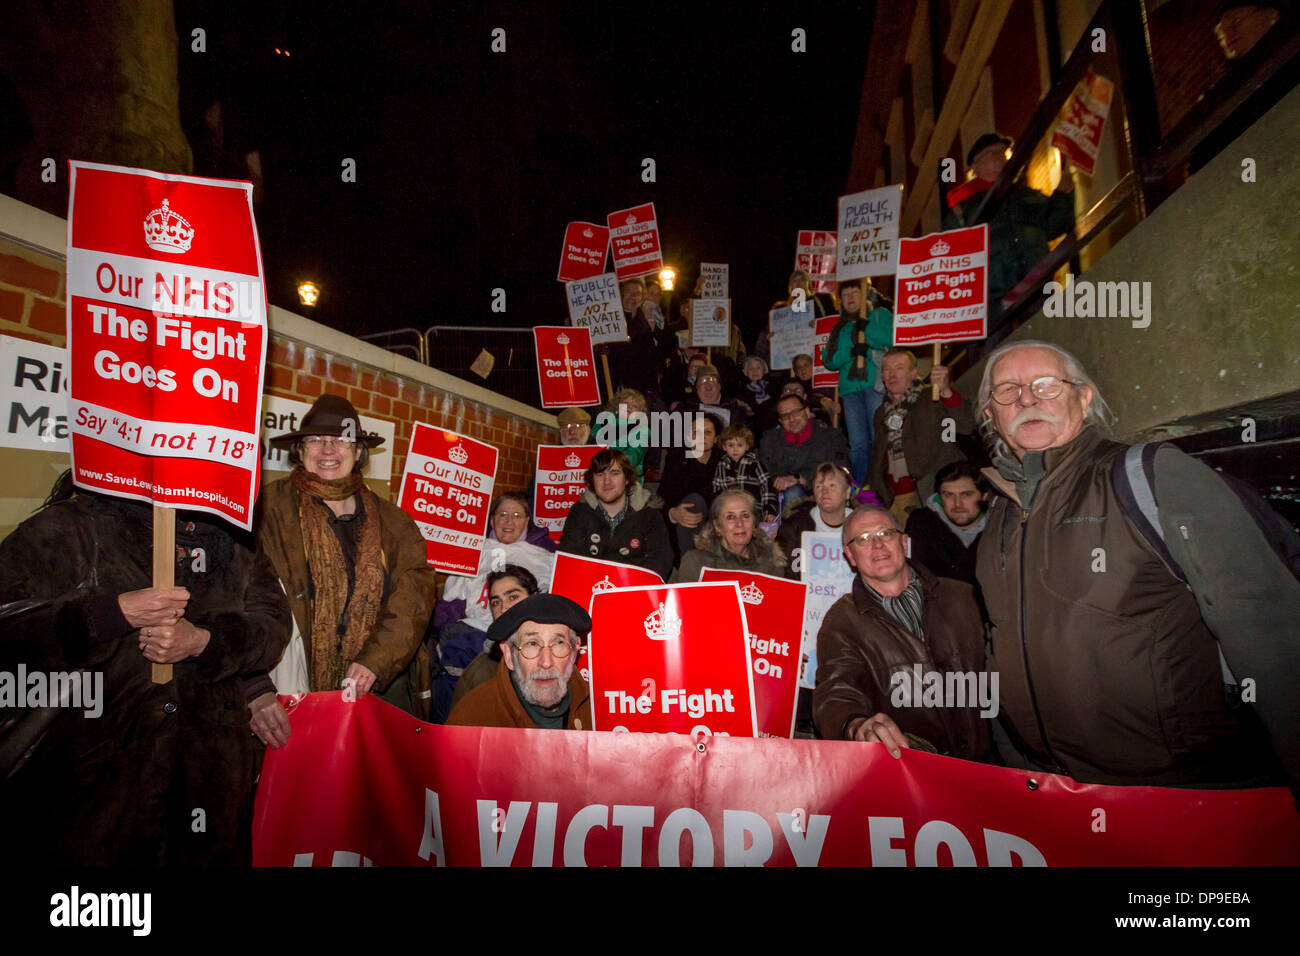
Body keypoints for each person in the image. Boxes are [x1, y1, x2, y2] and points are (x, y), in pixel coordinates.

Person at [975, 339, 1300, 791]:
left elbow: (1272, 630)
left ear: (1084, 398)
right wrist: (1016, 761)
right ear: (991, 415)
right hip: (1054, 793)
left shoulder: (1151, 476)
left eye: (1045, 384)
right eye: (1007, 390)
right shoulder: (999, 513)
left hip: (1177, 795)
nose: (1027, 398)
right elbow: (1000, 643)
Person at [0, 472, 292, 865]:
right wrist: (108, 615)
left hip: (208, 776)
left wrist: (205, 642)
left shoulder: (235, 540)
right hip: (93, 780)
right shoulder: (73, 525)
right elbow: (9, 626)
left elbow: (272, 622)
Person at [255, 393, 436, 721]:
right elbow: (246, 596)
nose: (328, 450)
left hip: (378, 689)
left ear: (358, 451)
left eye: (341, 440)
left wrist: (375, 661)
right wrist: (254, 689)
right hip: (289, 684)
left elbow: (415, 596)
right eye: (316, 440)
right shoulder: (268, 510)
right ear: (300, 450)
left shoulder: (394, 523)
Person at [812, 505, 990, 761]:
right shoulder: (842, 621)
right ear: (849, 555)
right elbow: (836, 693)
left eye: (886, 533)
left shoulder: (964, 596)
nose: (877, 545)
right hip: (913, 770)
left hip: (990, 768)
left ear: (904, 542)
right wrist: (856, 724)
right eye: (863, 539)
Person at [429, 492, 555, 721]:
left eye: (516, 515)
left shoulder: (545, 558)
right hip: (475, 629)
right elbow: (452, 600)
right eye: (502, 515)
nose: (509, 521)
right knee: (455, 651)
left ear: (527, 521)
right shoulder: (474, 550)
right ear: (491, 520)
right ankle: (447, 733)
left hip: (522, 631)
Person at [943, 132, 1075, 305]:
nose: (1001, 157)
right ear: (974, 166)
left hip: (1039, 290)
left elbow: (1053, 226)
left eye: (1003, 152)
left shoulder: (1024, 194)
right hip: (994, 302)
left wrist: (1064, 196)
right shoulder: (962, 208)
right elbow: (952, 260)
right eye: (992, 153)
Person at [446, 594, 592, 730]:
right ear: (509, 655)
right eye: (532, 644)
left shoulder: (597, 709)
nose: (546, 662)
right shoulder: (472, 718)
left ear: (574, 651)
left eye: (559, 643)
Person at [868, 347, 975, 527]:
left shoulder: (931, 397)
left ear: (914, 372)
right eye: (887, 369)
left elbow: (966, 424)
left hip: (932, 493)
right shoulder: (880, 413)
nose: (892, 374)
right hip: (895, 501)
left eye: (899, 368)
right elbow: (879, 456)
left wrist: (946, 391)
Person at [557, 449, 674, 579]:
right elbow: (568, 557)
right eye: (600, 474)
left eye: (615, 473)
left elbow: (661, 559)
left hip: (633, 589)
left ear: (627, 479)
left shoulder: (649, 514)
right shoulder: (579, 513)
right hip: (590, 587)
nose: (607, 481)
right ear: (592, 481)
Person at [822, 279, 894, 483]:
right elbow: (829, 359)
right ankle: (861, 488)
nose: (850, 298)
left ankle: (882, 484)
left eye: (855, 293)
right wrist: (852, 351)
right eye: (845, 295)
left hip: (874, 385)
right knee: (858, 444)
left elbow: (891, 338)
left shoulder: (880, 314)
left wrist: (866, 329)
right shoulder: (840, 326)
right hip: (849, 390)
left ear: (865, 294)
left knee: (879, 438)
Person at [447, 564, 540, 711]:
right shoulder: (480, 673)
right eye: (496, 603)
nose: (504, 608)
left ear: (535, 599)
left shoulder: (561, 652)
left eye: (513, 597)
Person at [902, 459, 989, 589]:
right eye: (948, 495)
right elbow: (913, 573)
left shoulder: (999, 526)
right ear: (939, 497)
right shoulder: (922, 522)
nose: (957, 504)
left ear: (984, 496)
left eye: (966, 494)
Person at [758, 393, 850, 509]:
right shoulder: (769, 442)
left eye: (795, 412)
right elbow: (764, 472)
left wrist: (803, 479)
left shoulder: (831, 437)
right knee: (792, 492)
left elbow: (842, 470)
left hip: (824, 492)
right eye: (785, 416)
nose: (791, 419)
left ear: (807, 412)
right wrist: (780, 480)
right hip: (787, 497)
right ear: (780, 421)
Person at [673, 489, 786, 581]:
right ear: (717, 526)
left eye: (745, 516)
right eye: (730, 517)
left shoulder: (772, 563)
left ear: (754, 523)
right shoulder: (696, 562)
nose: (739, 523)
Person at [659, 412, 723, 560]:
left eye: (707, 432)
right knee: (694, 502)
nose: (702, 437)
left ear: (716, 439)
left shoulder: (725, 460)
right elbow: (663, 498)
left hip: (717, 520)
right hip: (685, 526)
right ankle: (690, 567)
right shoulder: (676, 459)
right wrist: (672, 513)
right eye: (696, 432)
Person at [776, 462, 855, 578]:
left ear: (847, 492)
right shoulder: (795, 525)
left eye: (832, 485)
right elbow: (782, 571)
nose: (824, 492)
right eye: (819, 486)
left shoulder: (863, 527)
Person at [713, 424, 777, 520]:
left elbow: (767, 485)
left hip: (754, 511)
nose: (735, 449)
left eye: (740, 445)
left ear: (747, 446)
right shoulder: (721, 465)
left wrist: (769, 509)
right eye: (730, 445)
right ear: (724, 447)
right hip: (731, 511)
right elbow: (717, 490)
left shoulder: (754, 463)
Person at [679, 364, 752, 430]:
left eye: (712, 380)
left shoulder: (736, 407)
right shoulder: (686, 408)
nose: (708, 385)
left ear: (719, 386)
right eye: (703, 381)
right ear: (696, 387)